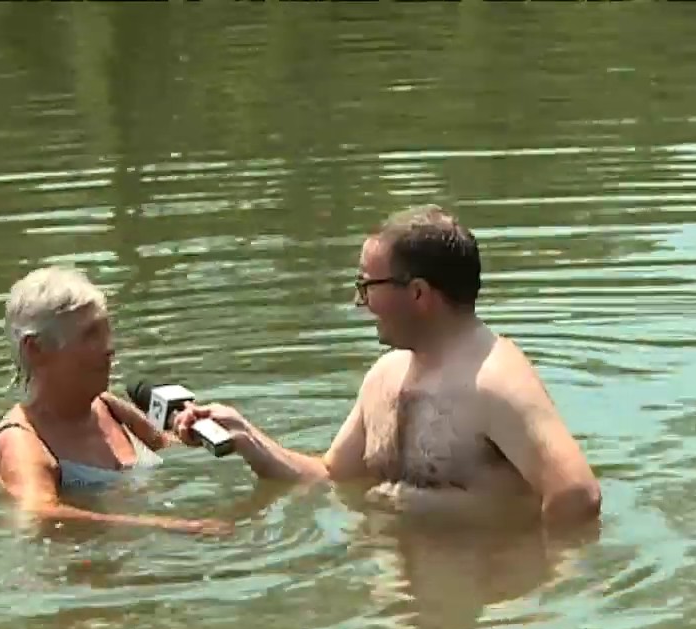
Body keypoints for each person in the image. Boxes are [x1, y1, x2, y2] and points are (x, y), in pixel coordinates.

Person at [173, 205, 602, 530]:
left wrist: (535, 586)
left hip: (477, 611)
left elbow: (576, 496)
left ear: (417, 294)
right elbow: (331, 476)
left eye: (367, 286)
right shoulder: (384, 375)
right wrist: (246, 438)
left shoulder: (495, 382)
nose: (359, 303)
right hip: (399, 610)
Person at [0, 266, 231, 536]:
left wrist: (194, 431)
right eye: (91, 335)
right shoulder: (21, 441)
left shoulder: (108, 407)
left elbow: (165, 446)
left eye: (106, 331)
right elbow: (38, 513)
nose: (109, 347)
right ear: (36, 349)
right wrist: (175, 527)